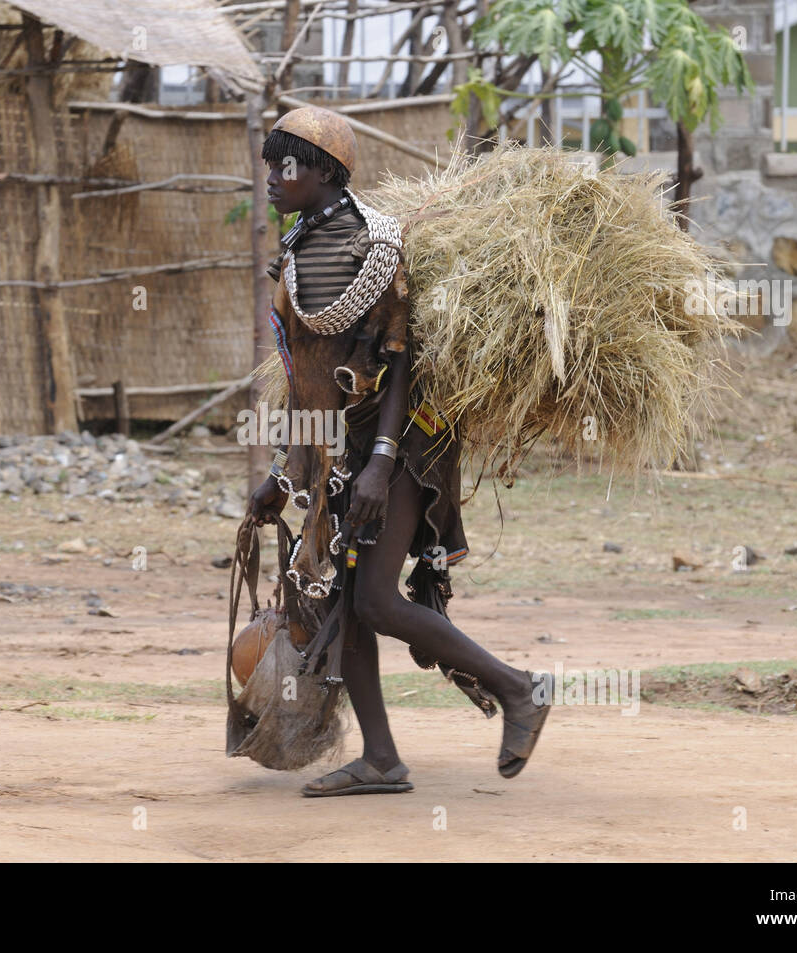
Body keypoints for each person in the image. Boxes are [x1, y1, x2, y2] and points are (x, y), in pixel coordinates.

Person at [245, 106, 549, 796]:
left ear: (322, 172)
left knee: (376, 599)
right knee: (349, 601)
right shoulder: (299, 250)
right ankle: (381, 759)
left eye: (283, 164)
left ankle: (520, 688)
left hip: (406, 440)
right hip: (344, 453)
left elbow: (401, 360)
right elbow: (307, 385)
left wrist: (381, 461)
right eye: (268, 163)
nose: (270, 176)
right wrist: (279, 475)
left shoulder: (374, 246)